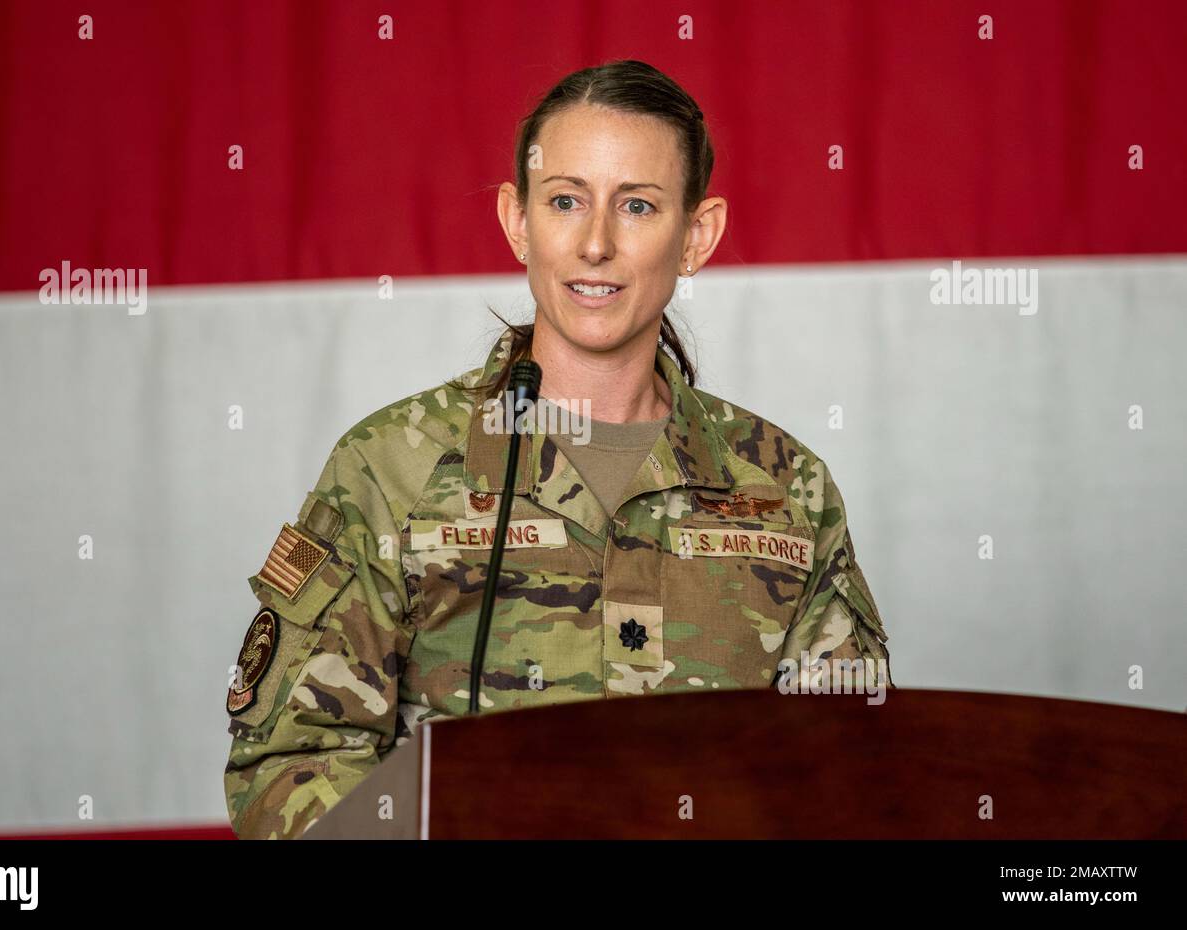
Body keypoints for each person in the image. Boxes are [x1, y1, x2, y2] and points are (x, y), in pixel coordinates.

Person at [222, 59, 890, 839]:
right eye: (565, 201)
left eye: (637, 206)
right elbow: (291, 765)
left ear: (695, 236)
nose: (595, 244)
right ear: (517, 220)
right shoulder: (389, 469)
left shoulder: (787, 490)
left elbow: (854, 774)